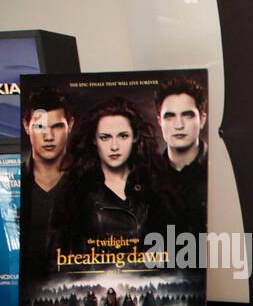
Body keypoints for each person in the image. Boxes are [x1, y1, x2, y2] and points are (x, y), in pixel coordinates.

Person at [46, 97, 176, 264]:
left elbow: (177, 253)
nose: (114, 146)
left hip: (151, 284)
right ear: (94, 140)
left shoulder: (157, 187)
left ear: (135, 137)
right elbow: (54, 259)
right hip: (88, 284)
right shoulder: (73, 193)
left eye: (122, 136)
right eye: (105, 137)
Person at [20, 89, 73, 279]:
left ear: (70, 125)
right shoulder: (13, 184)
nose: (48, 136)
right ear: (26, 126)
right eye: (40, 126)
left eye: (57, 126)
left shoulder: (90, 183)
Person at [155, 77, 209, 235]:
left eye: (187, 115)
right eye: (169, 116)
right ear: (160, 121)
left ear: (202, 120)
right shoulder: (146, 175)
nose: (179, 125)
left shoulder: (221, 170)